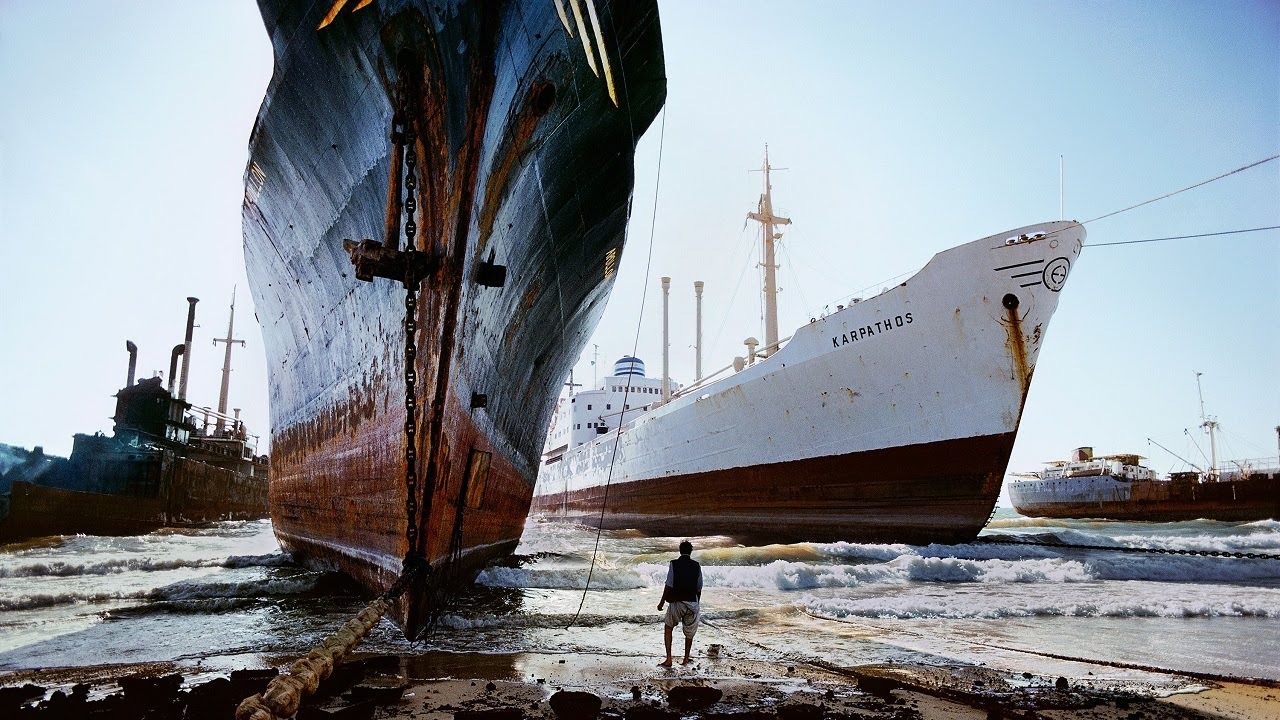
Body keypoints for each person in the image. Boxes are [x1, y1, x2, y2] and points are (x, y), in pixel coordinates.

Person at [656, 540, 702, 667]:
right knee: (689, 632)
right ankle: (686, 659)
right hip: (693, 603)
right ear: (690, 552)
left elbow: (669, 585)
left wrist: (661, 602)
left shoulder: (674, 564)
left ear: (680, 551)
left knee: (668, 627)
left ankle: (669, 659)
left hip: (677, 602)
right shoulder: (697, 566)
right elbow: (699, 588)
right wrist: (696, 604)